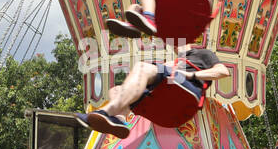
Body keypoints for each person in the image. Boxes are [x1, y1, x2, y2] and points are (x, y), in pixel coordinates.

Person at [77, 44, 228, 139]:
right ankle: (120, 119)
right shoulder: (174, 62)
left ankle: (108, 111)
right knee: (116, 89)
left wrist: (193, 75)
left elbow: (223, 71)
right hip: (166, 109)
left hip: (188, 90)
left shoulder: (202, 54)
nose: (175, 45)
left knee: (142, 67)